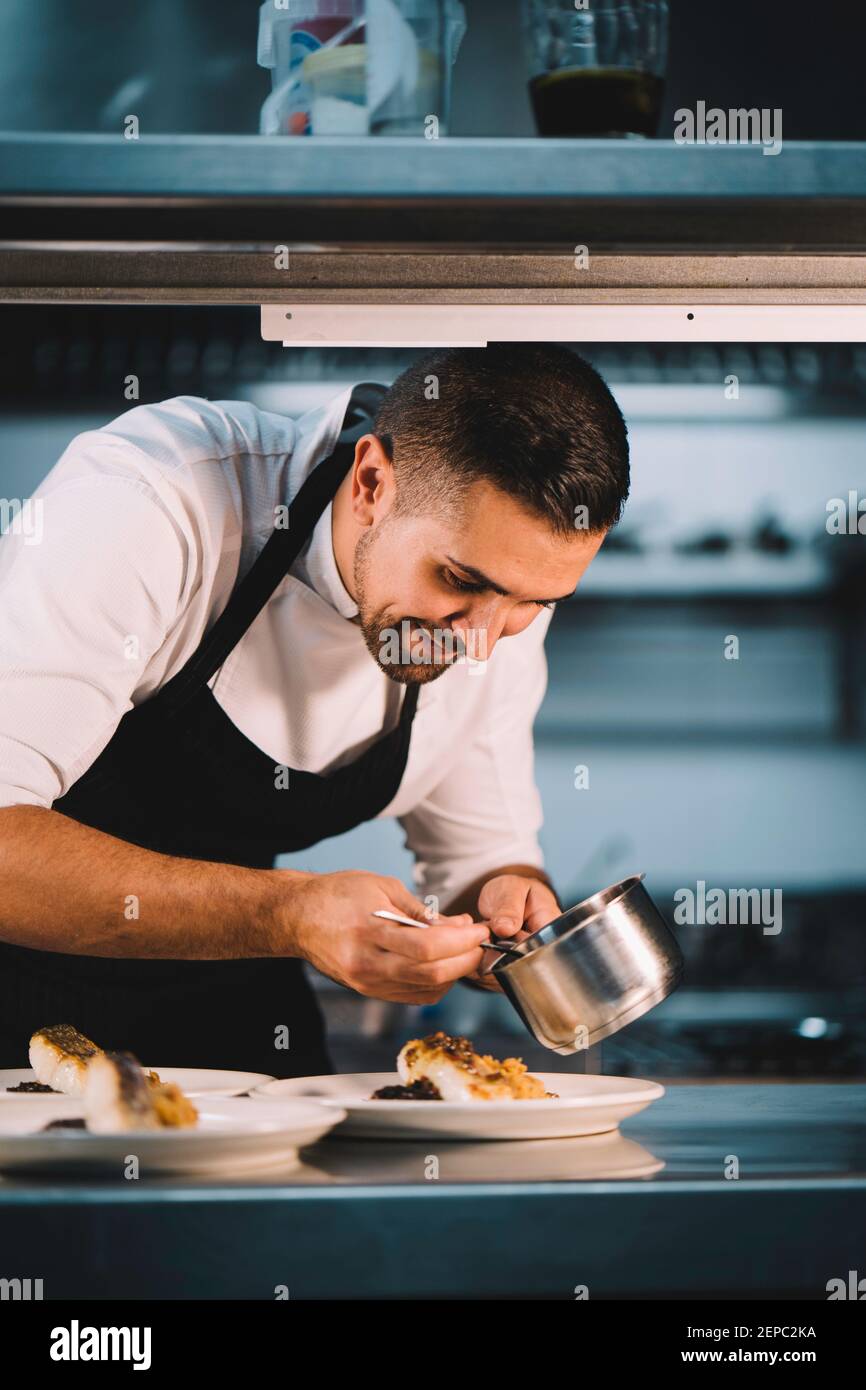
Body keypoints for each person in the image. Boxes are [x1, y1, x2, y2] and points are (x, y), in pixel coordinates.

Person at [0, 344, 629, 1075]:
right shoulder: (153, 500)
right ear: (371, 483)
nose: (484, 642)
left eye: (535, 604)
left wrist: (506, 912)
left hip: (236, 1034)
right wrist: (291, 914)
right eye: (457, 579)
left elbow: (482, 856)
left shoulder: (494, 603)